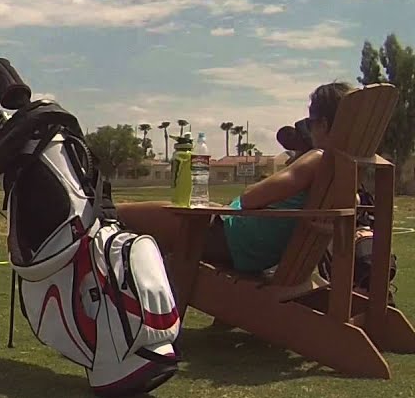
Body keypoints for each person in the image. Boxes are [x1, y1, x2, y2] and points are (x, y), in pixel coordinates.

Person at [117, 81, 353, 274]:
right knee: (174, 211)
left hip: (233, 241)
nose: (309, 131)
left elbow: (250, 198)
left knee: (121, 213)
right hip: (252, 245)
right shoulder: (348, 165)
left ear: (323, 123)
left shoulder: (318, 158)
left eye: (311, 124)